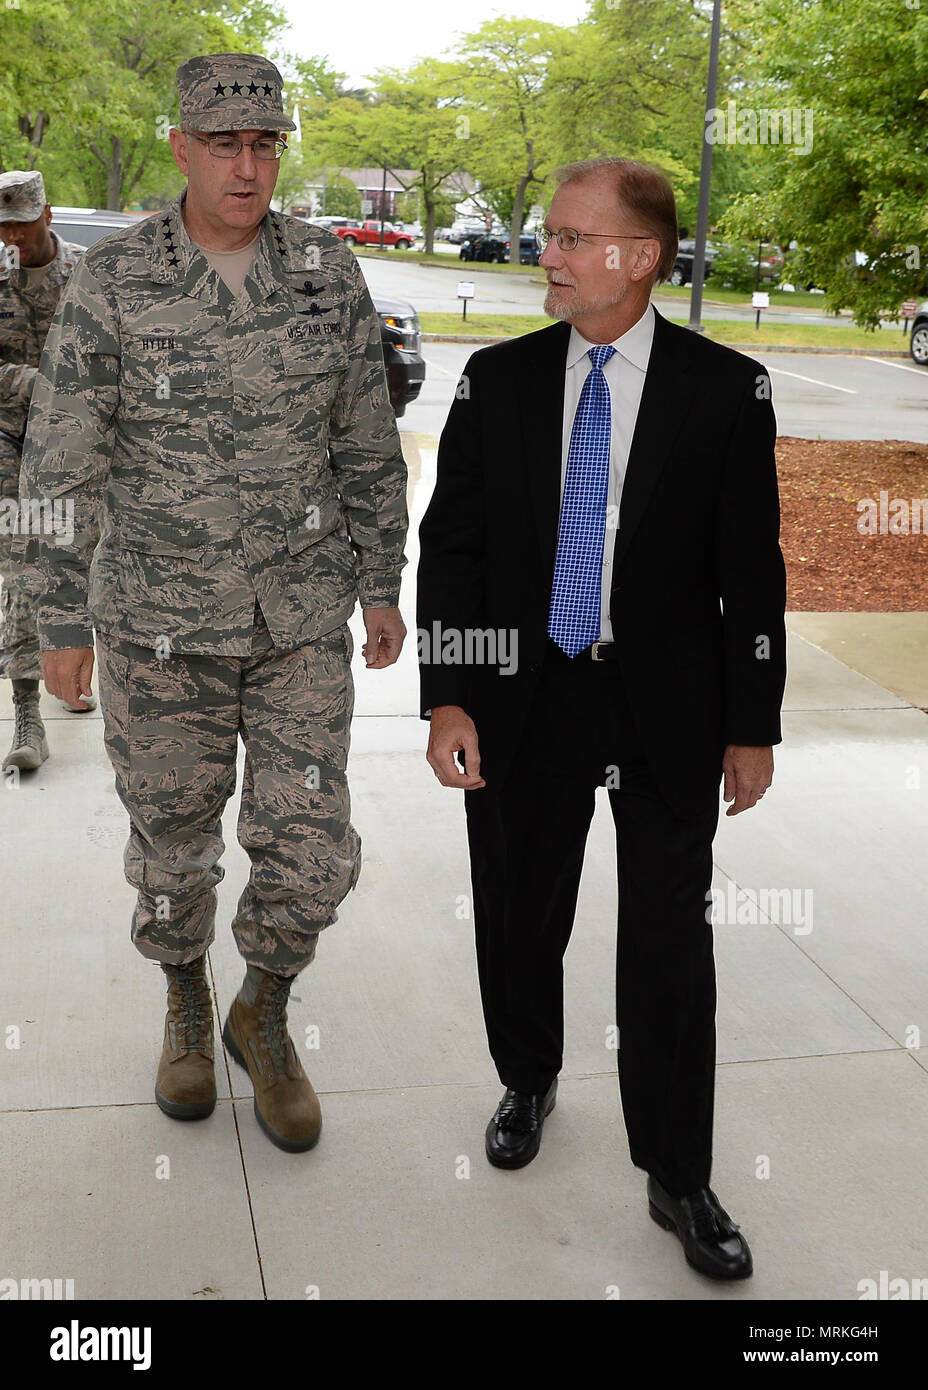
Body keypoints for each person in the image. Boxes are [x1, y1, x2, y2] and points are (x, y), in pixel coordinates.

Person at [16, 52, 408, 1155]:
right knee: (172, 841)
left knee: (311, 846)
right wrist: (55, 622)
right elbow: (57, 465)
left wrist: (381, 580)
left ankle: (264, 1010)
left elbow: (365, 443)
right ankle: (187, 997)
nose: (248, 166)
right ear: (182, 148)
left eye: (266, 143)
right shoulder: (116, 281)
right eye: (225, 144)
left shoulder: (328, 273)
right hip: (156, 624)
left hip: (297, 620)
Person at [417, 156, 786, 1280]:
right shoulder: (498, 380)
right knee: (523, 912)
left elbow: (749, 574)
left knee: (670, 947)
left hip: (666, 707)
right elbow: (455, 555)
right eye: (553, 236)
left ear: (639, 258)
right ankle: (527, 1076)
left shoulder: (727, 391)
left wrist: (751, 723)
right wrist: (448, 696)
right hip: (528, 697)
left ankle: (677, 1174)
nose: (552, 254)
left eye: (575, 238)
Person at [0, 171, 86, 771]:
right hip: (9, 440)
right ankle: (27, 711)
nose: (13, 235)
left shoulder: (87, 275)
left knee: (89, 565)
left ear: (47, 215)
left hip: (83, 447)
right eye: (3, 225)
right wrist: (44, 383)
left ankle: (77, 664)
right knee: (23, 565)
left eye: (22, 222)